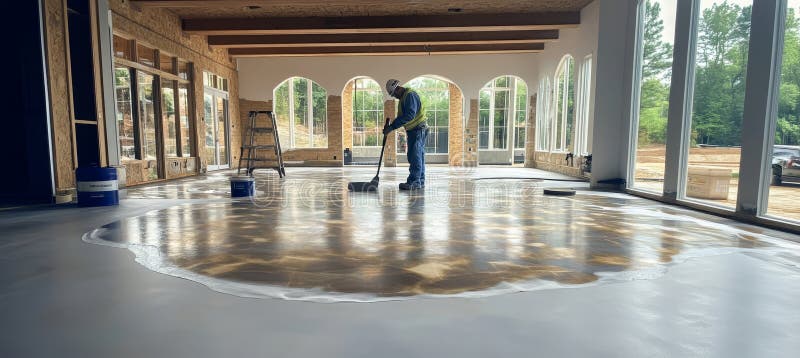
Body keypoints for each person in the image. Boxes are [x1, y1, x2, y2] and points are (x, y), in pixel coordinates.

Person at [383, 79, 428, 190]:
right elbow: (404, 116)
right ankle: (420, 180)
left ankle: (414, 182)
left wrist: (392, 127)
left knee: (415, 156)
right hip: (416, 130)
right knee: (418, 156)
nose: (395, 97)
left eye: (394, 94)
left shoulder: (409, 95)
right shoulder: (405, 97)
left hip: (417, 129)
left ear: (398, 88)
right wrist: (391, 126)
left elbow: (409, 115)